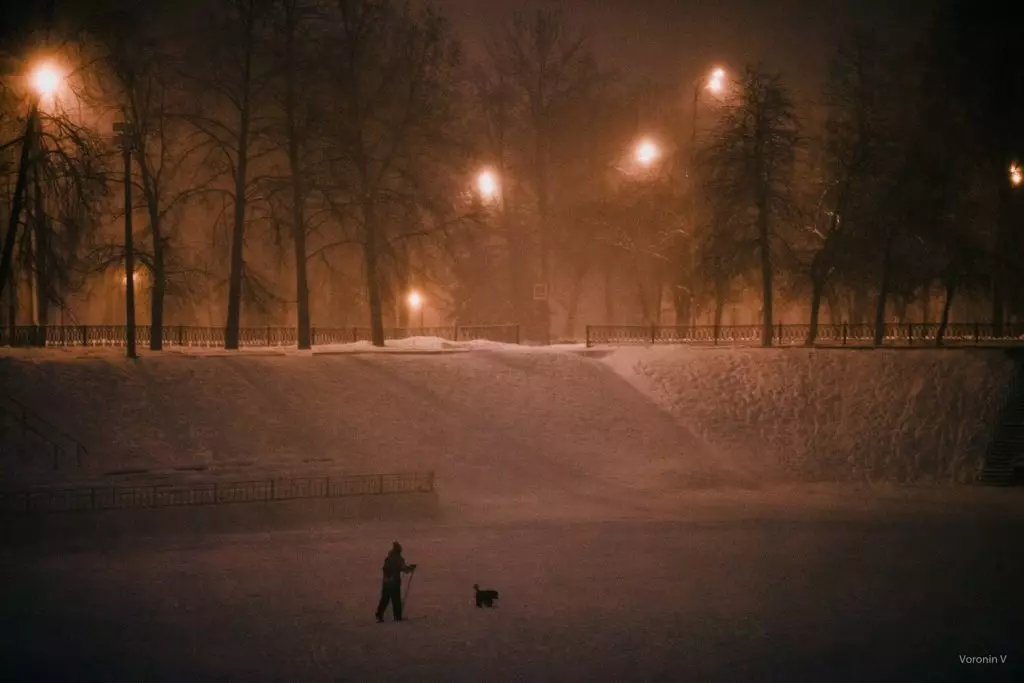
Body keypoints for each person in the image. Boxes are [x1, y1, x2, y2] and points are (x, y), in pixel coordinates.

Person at [375, 541, 416, 622]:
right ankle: (397, 617)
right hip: (395, 583)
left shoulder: (388, 559)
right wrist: (411, 568)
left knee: (385, 599)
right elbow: (404, 569)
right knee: (396, 600)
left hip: (386, 582)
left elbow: (385, 569)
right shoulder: (399, 559)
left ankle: (379, 614)